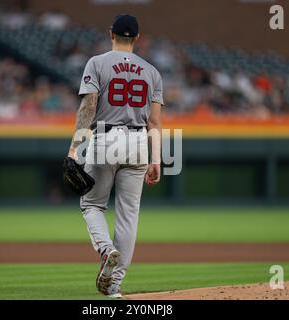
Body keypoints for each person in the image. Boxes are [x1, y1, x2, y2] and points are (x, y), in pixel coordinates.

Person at [66, 14, 163, 298]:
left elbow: (88, 107)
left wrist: (75, 148)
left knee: (91, 205)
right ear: (137, 37)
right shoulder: (152, 72)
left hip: (106, 137)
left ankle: (106, 250)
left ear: (111, 34)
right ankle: (115, 286)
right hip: (138, 143)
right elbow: (154, 123)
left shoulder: (97, 63)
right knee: (129, 217)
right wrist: (156, 159)